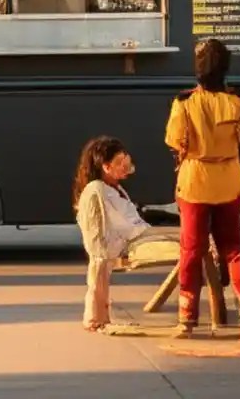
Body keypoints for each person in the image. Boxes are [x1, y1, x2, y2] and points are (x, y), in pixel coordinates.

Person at [164, 39, 240, 339]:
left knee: (192, 250)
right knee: (233, 249)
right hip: (228, 180)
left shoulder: (183, 102)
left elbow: (173, 139)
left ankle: (187, 318)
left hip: (194, 181)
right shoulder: (239, 100)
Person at [73, 136, 176, 332]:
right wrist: (154, 233)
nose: (125, 167)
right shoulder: (98, 190)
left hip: (120, 241)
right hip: (111, 246)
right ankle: (96, 318)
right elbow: (124, 225)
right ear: (106, 166)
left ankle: (97, 318)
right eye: (119, 163)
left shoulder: (110, 188)